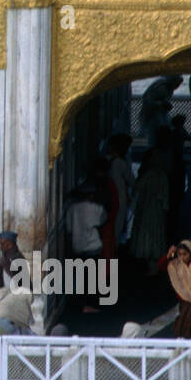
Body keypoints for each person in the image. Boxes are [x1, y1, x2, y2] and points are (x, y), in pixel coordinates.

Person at [66, 182, 106, 313]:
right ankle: (90, 305)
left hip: (77, 246)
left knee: (80, 277)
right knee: (92, 278)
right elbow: (102, 220)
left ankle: (81, 304)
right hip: (92, 247)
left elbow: (69, 228)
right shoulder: (96, 208)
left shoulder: (72, 208)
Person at [131, 148, 171, 271]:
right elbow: (165, 196)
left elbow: (137, 188)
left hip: (146, 208)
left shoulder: (148, 174)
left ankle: (148, 260)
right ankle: (154, 263)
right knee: (156, 234)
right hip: (157, 209)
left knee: (147, 233)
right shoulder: (162, 175)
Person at [106, 133, 136, 245]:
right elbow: (132, 181)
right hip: (119, 197)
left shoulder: (107, 160)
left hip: (107, 196)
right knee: (118, 225)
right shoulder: (120, 163)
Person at [139, 75, 182, 141]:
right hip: (153, 113)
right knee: (156, 131)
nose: (178, 86)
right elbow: (149, 101)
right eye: (177, 84)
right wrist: (162, 104)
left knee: (163, 128)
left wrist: (165, 104)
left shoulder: (168, 87)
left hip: (160, 112)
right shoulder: (161, 87)